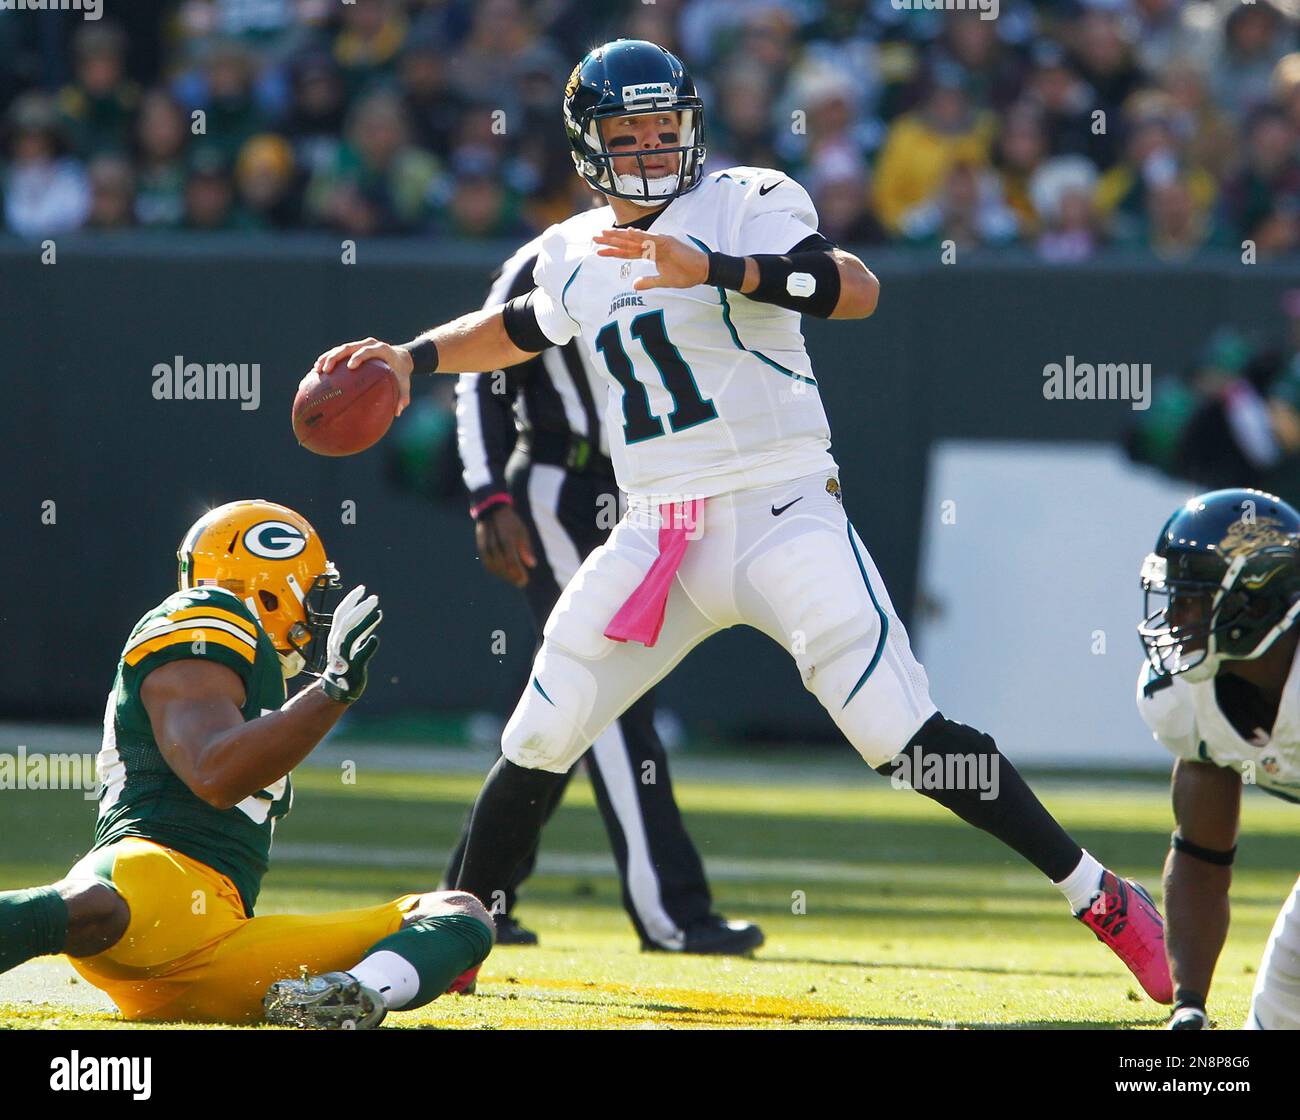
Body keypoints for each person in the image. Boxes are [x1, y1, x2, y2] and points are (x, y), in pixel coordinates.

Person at [310, 38, 1172, 1006]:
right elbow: (516, 328)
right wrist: (409, 359)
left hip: (781, 508)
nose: (647, 147)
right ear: (586, 146)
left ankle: (1099, 894)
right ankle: (453, 938)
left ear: (692, 128)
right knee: (540, 730)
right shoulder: (566, 251)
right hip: (653, 530)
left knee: (900, 733)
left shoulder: (746, 199)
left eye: (661, 127)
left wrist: (713, 266)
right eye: (625, 132)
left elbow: (852, 286)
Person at [0, 500, 492, 1029]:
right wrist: (332, 690)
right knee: (93, 907)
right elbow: (213, 773)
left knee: (459, 916)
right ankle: (57, 914)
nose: (317, 608)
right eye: (313, 589)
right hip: (154, 882)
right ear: (267, 586)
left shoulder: (253, 671)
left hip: (218, 951)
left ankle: (343, 996)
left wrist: (329, 693)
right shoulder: (207, 615)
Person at [447, 233, 764, 954]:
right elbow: (480, 377)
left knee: (564, 702)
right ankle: (673, 911)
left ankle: (470, 897)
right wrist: (487, 495)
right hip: (563, 483)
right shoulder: (548, 255)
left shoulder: (686, 246)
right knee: (607, 688)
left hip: (651, 493)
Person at [1137, 488, 1300, 1029]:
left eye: (1191, 599)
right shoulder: (1191, 699)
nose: (1173, 618)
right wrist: (1191, 1003)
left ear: (1256, 603)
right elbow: (1201, 859)